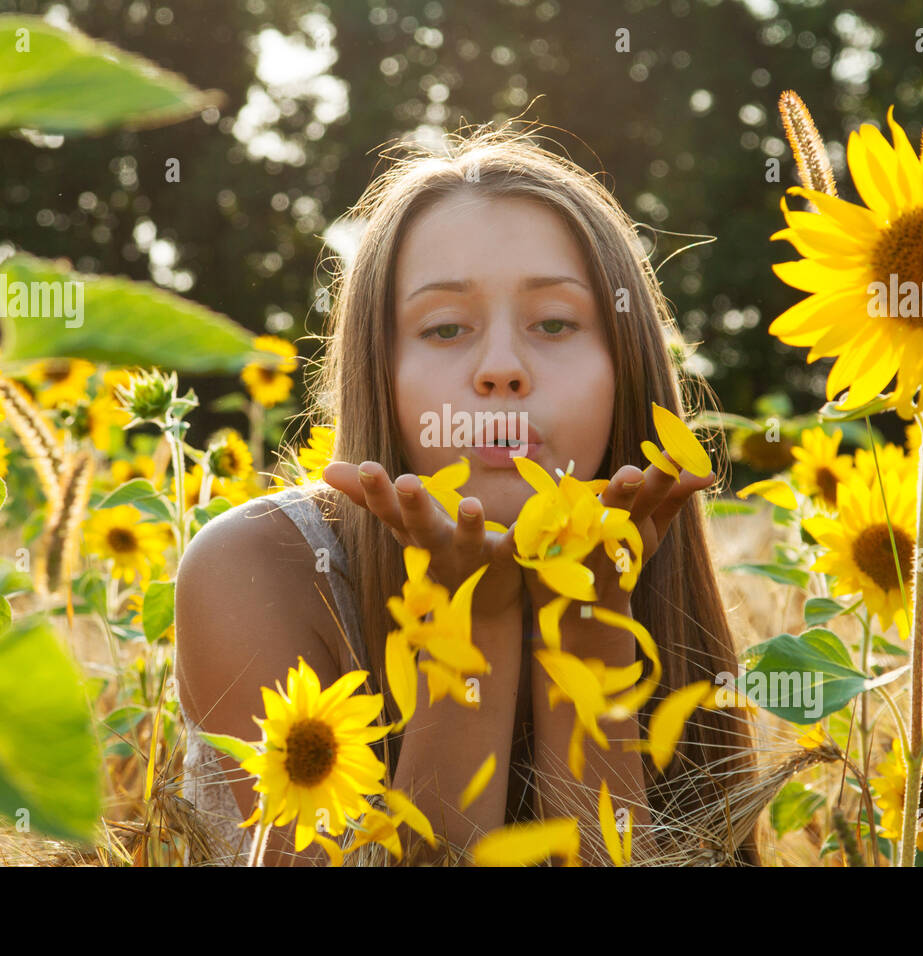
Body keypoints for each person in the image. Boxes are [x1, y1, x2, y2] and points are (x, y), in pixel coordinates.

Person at [174, 121, 759, 866]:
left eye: (554, 322)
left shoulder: (658, 585)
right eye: (447, 329)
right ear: (379, 377)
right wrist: (472, 630)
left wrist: (587, 622)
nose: (502, 370)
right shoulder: (258, 571)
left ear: (628, 369)